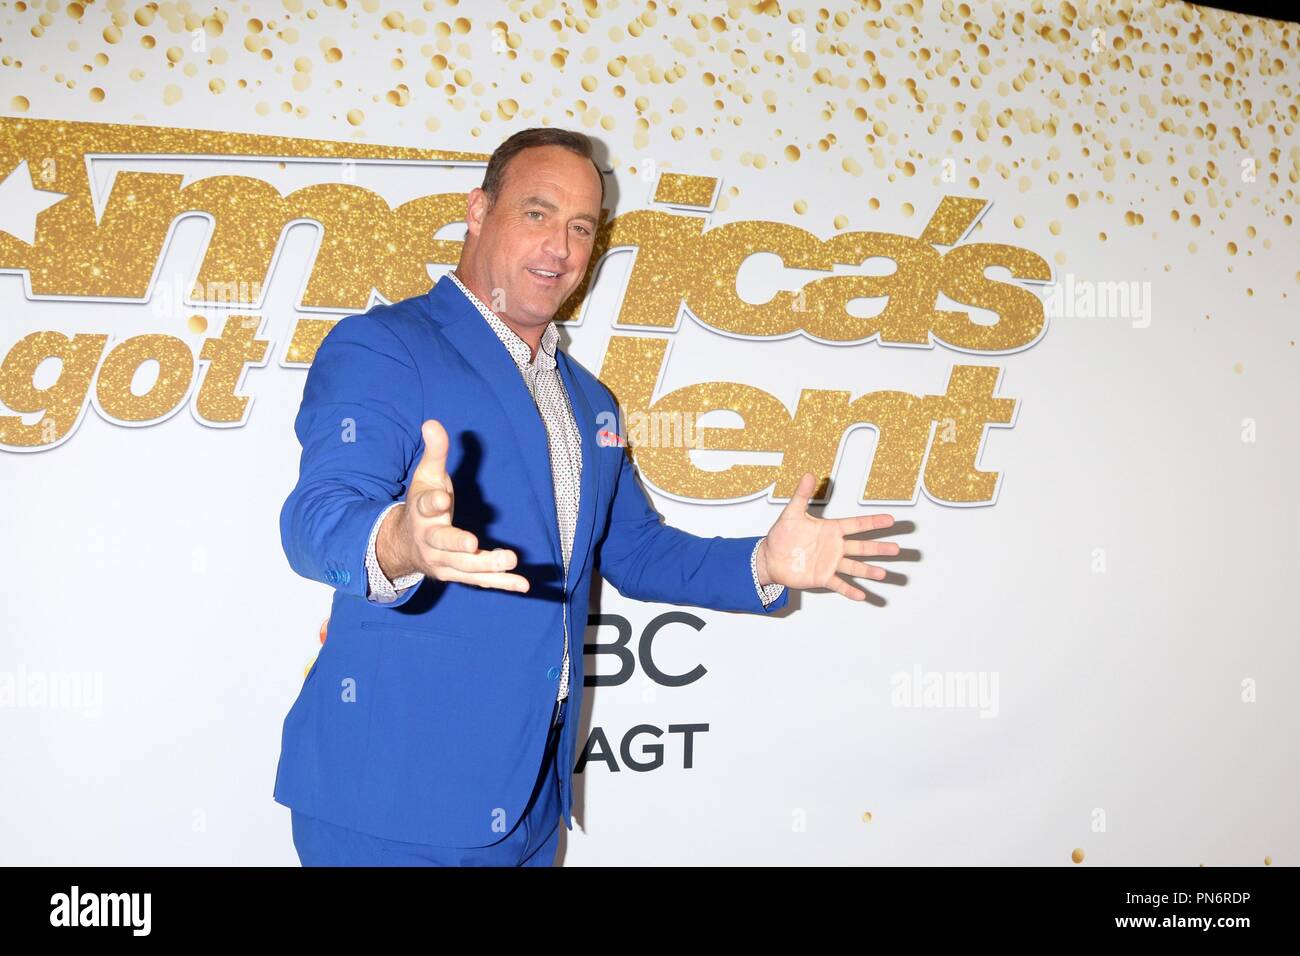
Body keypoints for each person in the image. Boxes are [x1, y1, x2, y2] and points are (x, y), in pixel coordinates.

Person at [273, 127, 901, 866]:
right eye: (537, 214)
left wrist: (763, 561)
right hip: (394, 799)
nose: (562, 248)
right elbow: (318, 514)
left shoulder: (588, 398)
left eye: (582, 227)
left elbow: (632, 549)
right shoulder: (386, 345)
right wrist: (396, 542)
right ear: (478, 211)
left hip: (534, 798)